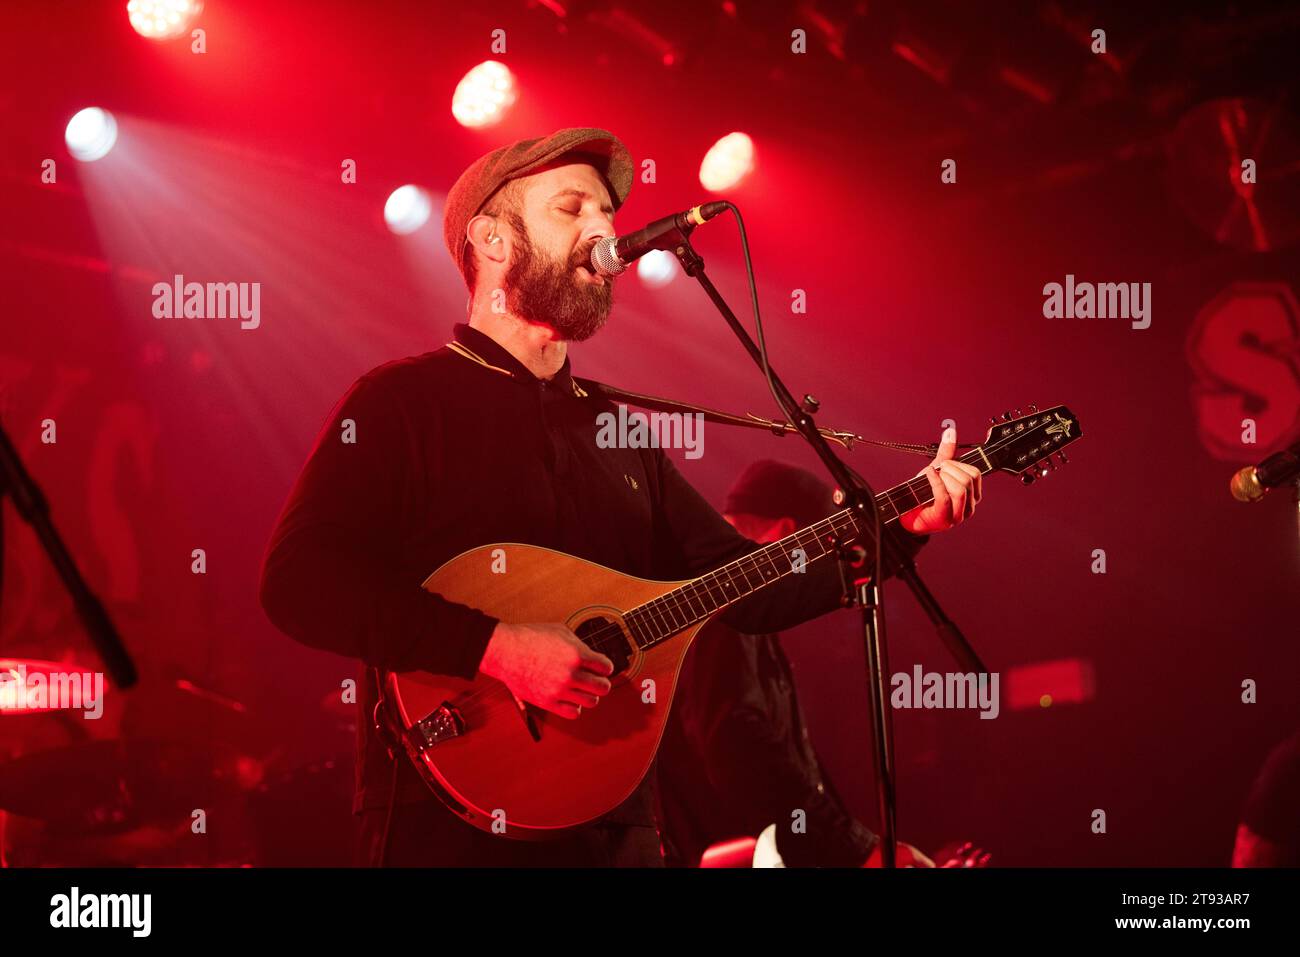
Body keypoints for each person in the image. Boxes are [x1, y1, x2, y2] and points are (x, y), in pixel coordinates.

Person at [257, 127, 983, 866]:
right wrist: (498, 649)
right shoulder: (401, 403)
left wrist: (907, 528)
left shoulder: (616, 432)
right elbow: (297, 582)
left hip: (619, 826)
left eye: (605, 211)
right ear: (494, 240)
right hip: (450, 825)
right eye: (572, 208)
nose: (606, 229)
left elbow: (751, 590)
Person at [657, 460, 933, 868]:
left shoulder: (714, 603)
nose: (824, 573)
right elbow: (736, 742)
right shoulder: (722, 611)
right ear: (789, 536)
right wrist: (859, 850)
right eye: (825, 552)